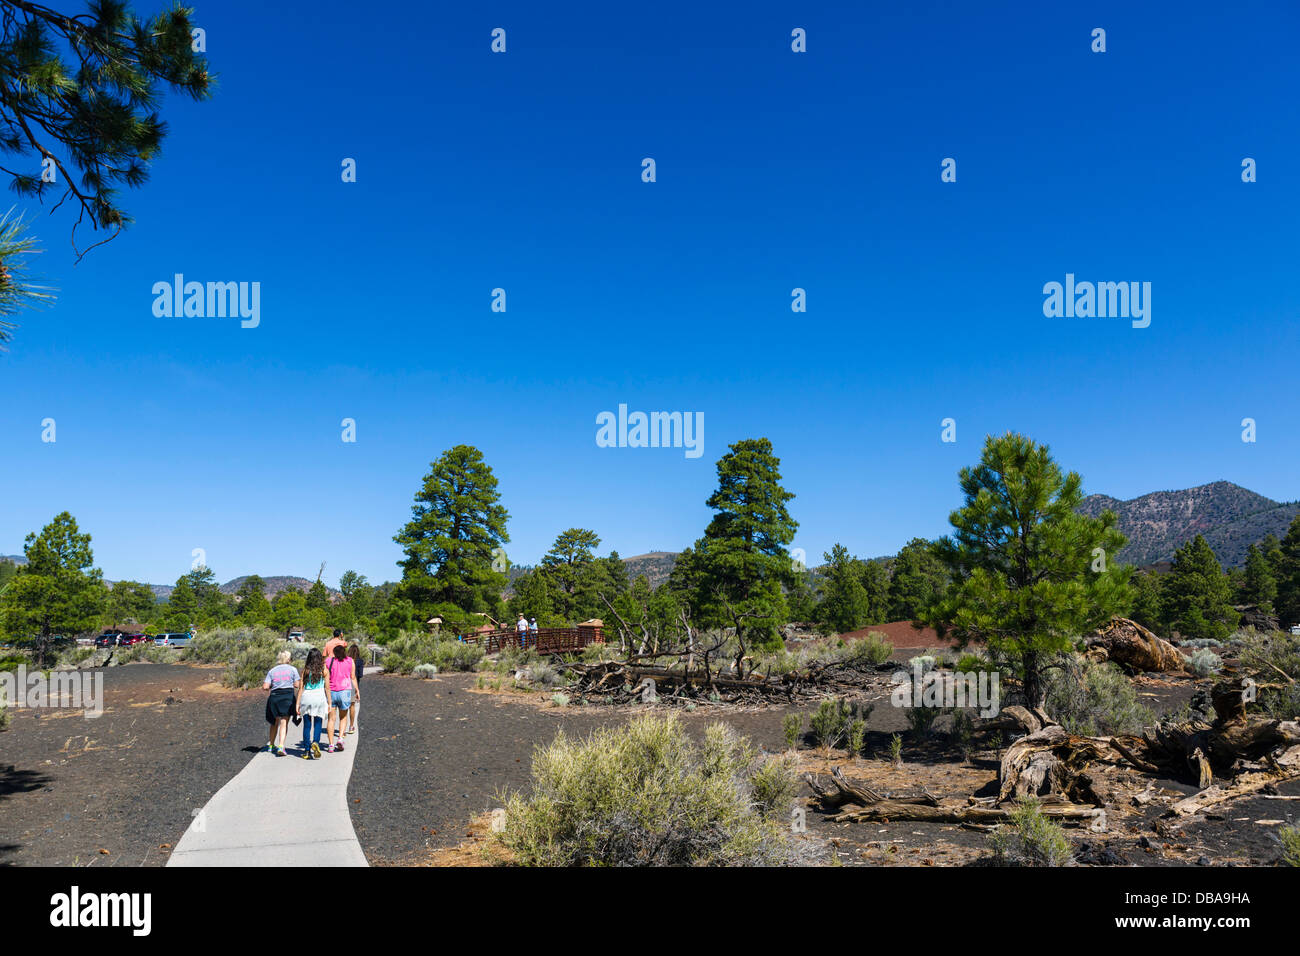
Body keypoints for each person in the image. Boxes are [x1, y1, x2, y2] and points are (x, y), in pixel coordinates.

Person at [262, 650, 300, 757]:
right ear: (288, 659)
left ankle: (271, 745)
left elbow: (265, 686)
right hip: (287, 696)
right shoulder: (293, 669)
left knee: (274, 721)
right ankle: (281, 746)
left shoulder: (272, 671)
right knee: (284, 722)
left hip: (274, 697)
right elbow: (297, 684)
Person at [295, 648, 328, 759]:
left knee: (307, 725)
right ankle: (316, 742)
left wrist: (297, 704)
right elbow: (327, 688)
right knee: (318, 723)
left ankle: (307, 751)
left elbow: (301, 688)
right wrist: (330, 703)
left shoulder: (305, 670)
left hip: (307, 697)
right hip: (319, 697)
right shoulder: (324, 670)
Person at [324, 643, 357, 753]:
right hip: (345, 691)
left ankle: (330, 744)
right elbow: (352, 677)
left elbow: (324, 675)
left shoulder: (328, 661)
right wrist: (357, 690)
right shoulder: (350, 661)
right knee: (343, 717)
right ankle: (340, 738)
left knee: (331, 719)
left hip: (332, 692)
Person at [345, 642, 364, 735]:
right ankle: (351, 726)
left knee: (343, 707)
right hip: (354, 684)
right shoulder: (360, 661)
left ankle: (342, 727)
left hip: (344, 684)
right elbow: (360, 675)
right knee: (352, 706)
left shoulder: (345, 660)